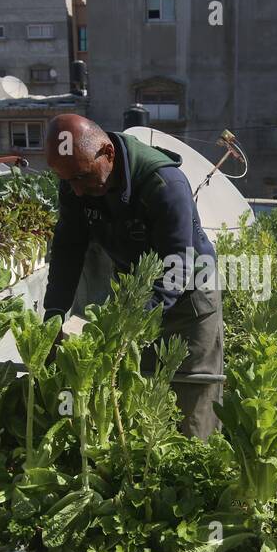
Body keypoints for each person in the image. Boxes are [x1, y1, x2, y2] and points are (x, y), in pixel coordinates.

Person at [41, 113, 223, 438]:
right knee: (135, 386)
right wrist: (54, 313)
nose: (77, 191)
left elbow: (177, 267)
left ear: (107, 153)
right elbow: (68, 249)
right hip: (136, 290)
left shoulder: (165, 184)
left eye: (81, 178)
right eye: (68, 182)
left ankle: (197, 470)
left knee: (192, 394)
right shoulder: (76, 183)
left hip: (189, 296)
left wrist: (132, 325)